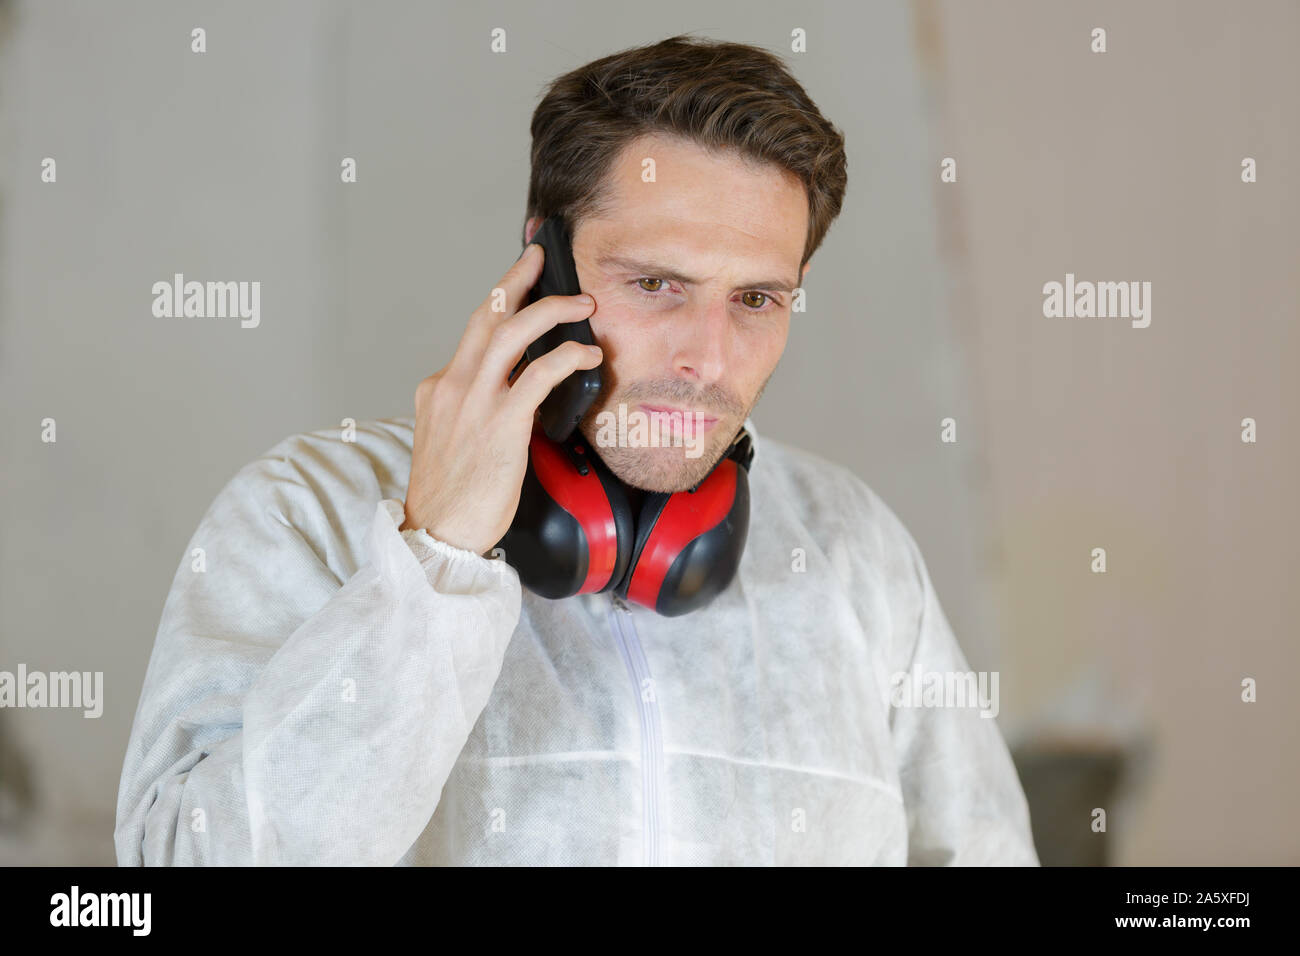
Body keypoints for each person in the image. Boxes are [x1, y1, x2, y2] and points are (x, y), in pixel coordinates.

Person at [115, 34, 1039, 866]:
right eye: (657, 284)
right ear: (542, 264)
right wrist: (434, 563)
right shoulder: (303, 512)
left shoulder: (851, 550)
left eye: (757, 300)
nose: (708, 360)